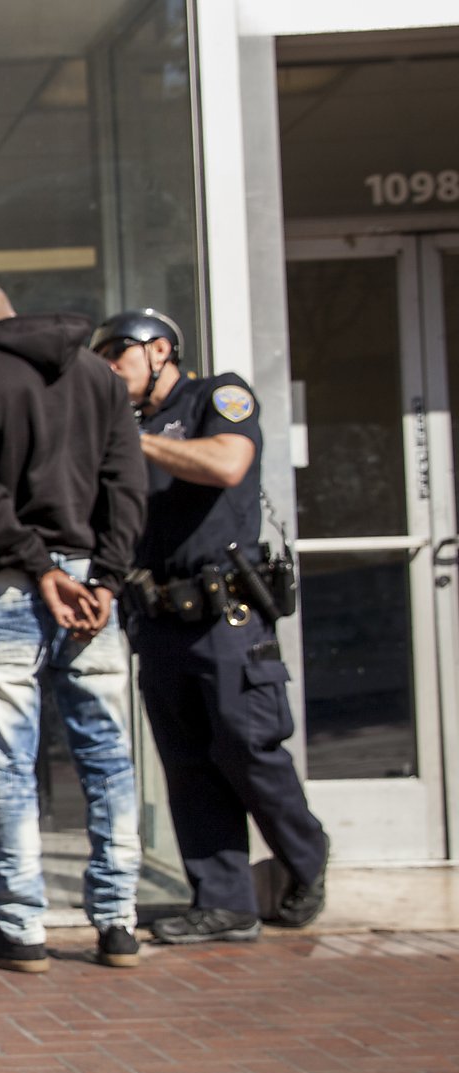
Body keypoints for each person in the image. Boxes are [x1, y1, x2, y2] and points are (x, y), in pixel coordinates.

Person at [91, 308, 328, 945]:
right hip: (159, 616)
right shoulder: (127, 427)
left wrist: (131, 440)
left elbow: (227, 464)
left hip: (226, 613)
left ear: (160, 349)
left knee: (246, 747)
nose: (111, 369)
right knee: (188, 763)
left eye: (119, 355)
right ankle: (223, 902)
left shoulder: (216, 397)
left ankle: (304, 858)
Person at [0, 281, 148, 973]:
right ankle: (119, 924)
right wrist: (107, 578)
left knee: (9, 762)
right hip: (90, 589)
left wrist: (35, 565)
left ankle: (22, 930)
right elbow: (126, 486)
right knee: (108, 754)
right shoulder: (99, 375)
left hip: (4, 586)